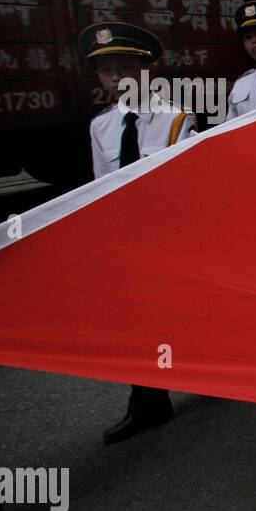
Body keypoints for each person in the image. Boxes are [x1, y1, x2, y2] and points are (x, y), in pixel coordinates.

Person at [80, 22, 196, 443]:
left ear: (147, 70)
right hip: (129, 244)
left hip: (170, 238)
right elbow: (99, 188)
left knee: (188, 312)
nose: (115, 78)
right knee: (137, 323)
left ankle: (216, 370)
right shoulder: (101, 127)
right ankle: (147, 401)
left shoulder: (176, 119)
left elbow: (187, 187)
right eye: (106, 70)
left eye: (125, 67)